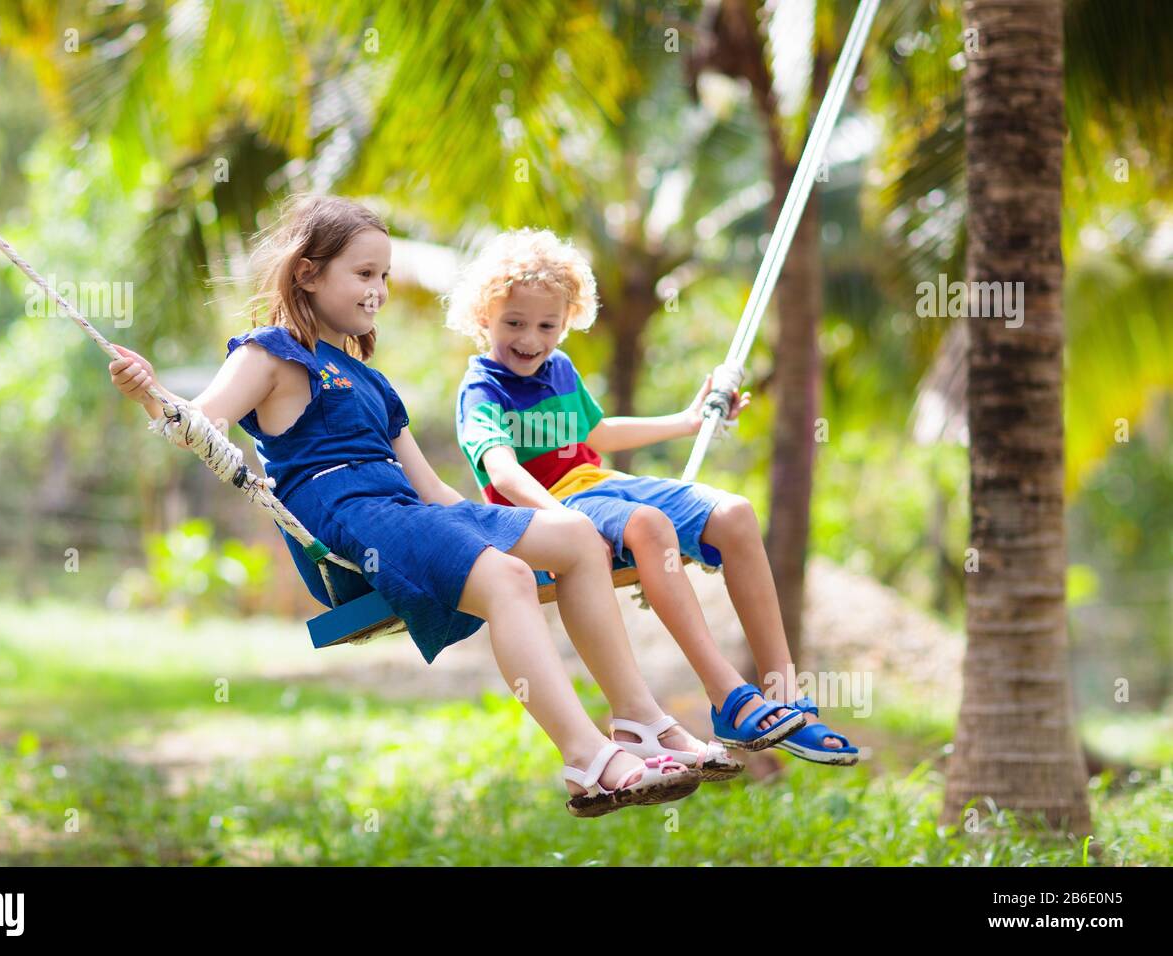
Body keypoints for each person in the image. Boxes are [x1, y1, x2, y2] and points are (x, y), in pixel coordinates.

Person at [107, 195, 709, 816]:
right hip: (349, 517)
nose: (379, 290)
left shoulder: (374, 382)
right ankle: (586, 758)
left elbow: (434, 491)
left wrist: (517, 527)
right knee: (505, 577)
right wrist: (153, 396)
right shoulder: (270, 353)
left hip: (407, 511)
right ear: (309, 273)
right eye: (364, 273)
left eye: (384, 276)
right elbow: (198, 423)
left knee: (577, 536)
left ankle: (637, 721)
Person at [448, 228, 858, 766]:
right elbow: (502, 473)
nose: (531, 338)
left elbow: (596, 436)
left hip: (597, 485)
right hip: (541, 513)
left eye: (548, 324)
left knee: (735, 514)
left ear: (566, 322)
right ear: (484, 318)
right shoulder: (483, 388)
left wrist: (687, 422)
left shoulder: (559, 370)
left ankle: (782, 691)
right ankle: (728, 697)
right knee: (647, 525)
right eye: (515, 323)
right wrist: (563, 521)